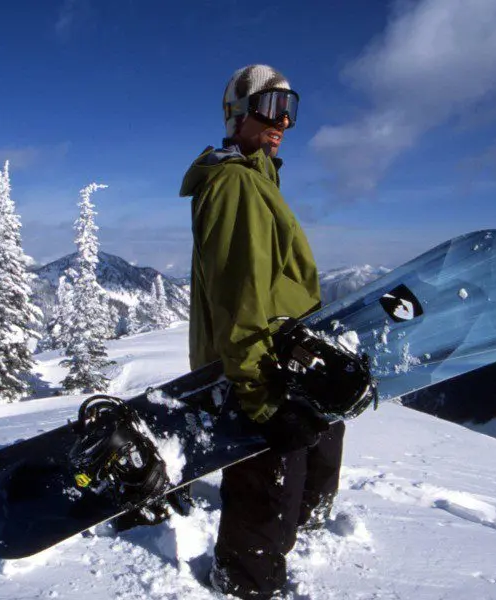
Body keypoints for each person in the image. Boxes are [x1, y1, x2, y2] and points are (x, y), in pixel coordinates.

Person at [179, 64, 347, 599]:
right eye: (270, 107)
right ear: (236, 113)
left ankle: (291, 535)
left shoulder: (258, 178)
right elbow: (239, 297)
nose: (283, 122)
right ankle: (244, 582)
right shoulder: (234, 185)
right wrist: (260, 396)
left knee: (313, 451)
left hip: (284, 353)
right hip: (255, 365)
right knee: (268, 471)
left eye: (291, 108)